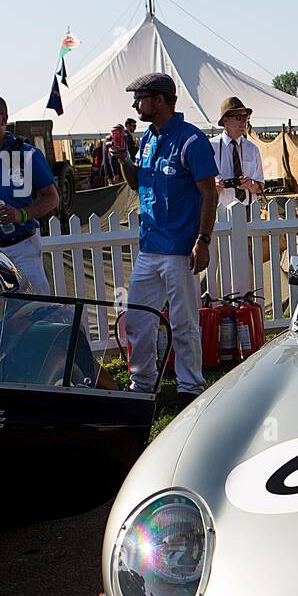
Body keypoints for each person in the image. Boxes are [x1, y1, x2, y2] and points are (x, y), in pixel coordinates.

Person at [115, 73, 218, 407]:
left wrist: (202, 240)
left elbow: (209, 194)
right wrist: (121, 157)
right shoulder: (148, 139)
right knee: (137, 319)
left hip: (179, 250)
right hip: (149, 247)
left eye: (140, 98)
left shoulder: (191, 140)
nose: (135, 104)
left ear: (159, 101)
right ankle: (142, 385)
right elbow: (135, 183)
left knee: (184, 321)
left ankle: (191, 388)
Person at [0, 95, 60, 293]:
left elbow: (52, 197)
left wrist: (21, 214)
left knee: (36, 312)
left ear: (2, 119)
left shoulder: (27, 153)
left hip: (21, 248)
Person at [209, 96, 265, 298]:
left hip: (246, 212)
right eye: (238, 117)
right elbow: (198, 183)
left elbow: (261, 185)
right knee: (216, 264)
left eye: (246, 117)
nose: (243, 122)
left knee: (245, 263)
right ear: (225, 120)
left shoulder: (252, 148)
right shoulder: (210, 147)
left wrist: (250, 185)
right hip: (217, 214)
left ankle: (244, 302)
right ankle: (215, 303)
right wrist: (214, 185)